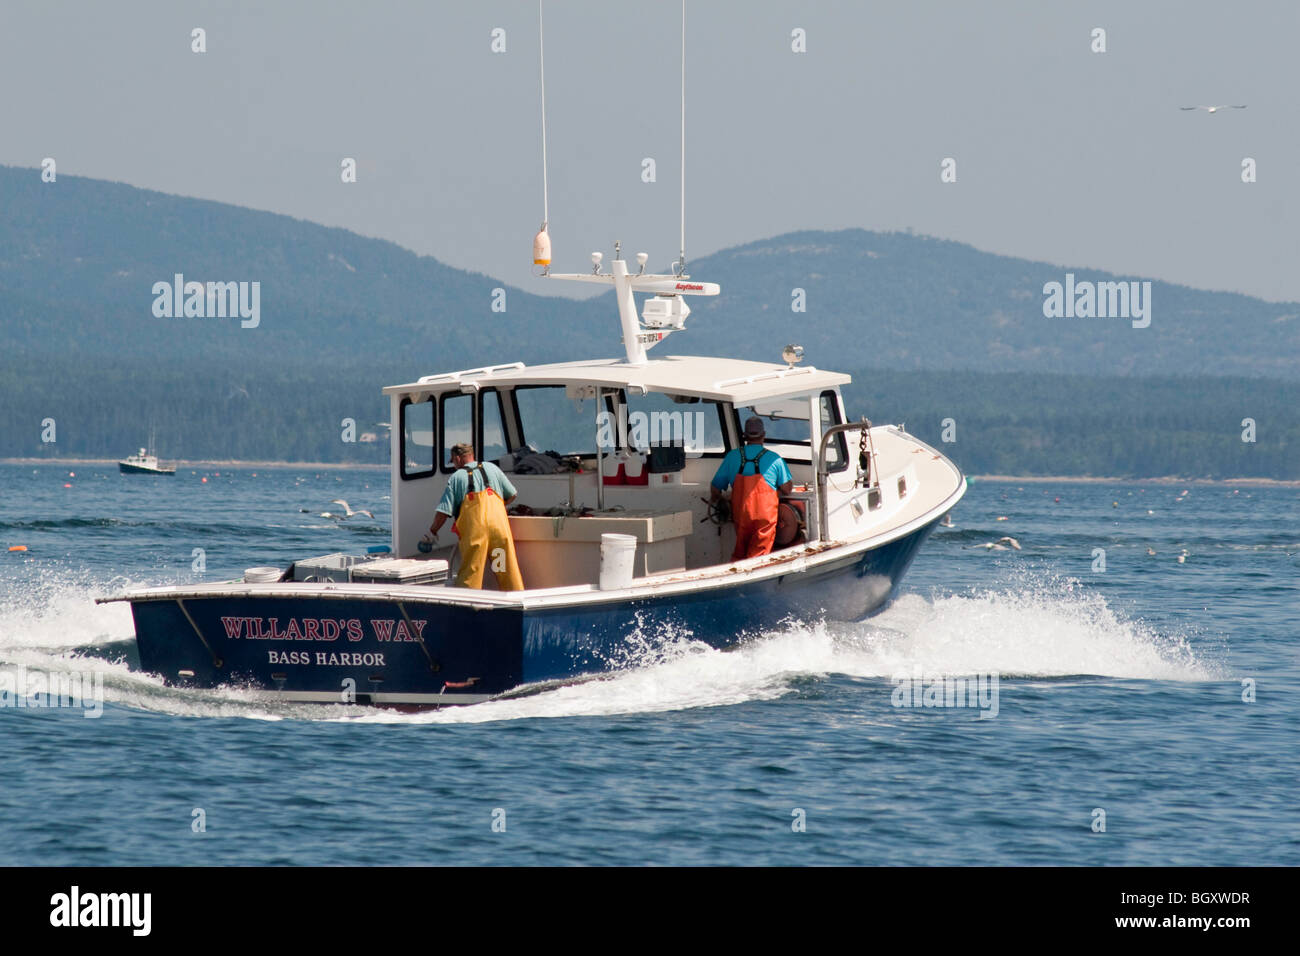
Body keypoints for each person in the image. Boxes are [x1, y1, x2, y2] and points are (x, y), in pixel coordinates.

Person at [423, 442, 525, 590]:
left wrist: (432, 532)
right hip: (499, 532)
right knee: (503, 569)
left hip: (476, 537)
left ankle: (469, 608)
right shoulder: (493, 468)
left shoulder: (457, 478)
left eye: (453, 462)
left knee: (472, 572)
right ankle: (516, 602)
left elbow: (443, 512)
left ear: (457, 459)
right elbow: (512, 494)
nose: (454, 465)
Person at [711, 417, 793, 561]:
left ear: (745, 436)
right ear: (764, 435)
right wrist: (774, 493)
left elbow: (715, 488)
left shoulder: (732, 457)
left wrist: (721, 500)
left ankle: (735, 579)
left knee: (740, 554)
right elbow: (787, 489)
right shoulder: (775, 459)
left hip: (741, 516)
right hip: (764, 519)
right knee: (759, 558)